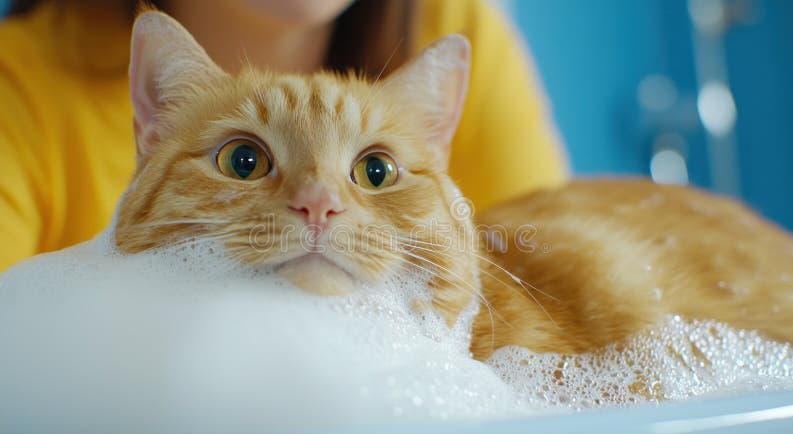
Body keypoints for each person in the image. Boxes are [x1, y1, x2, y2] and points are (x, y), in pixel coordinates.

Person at [0, 0, 568, 271]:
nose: (318, 203)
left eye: (375, 171)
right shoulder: (20, 87)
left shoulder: (447, 22)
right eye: (244, 161)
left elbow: (535, 270)